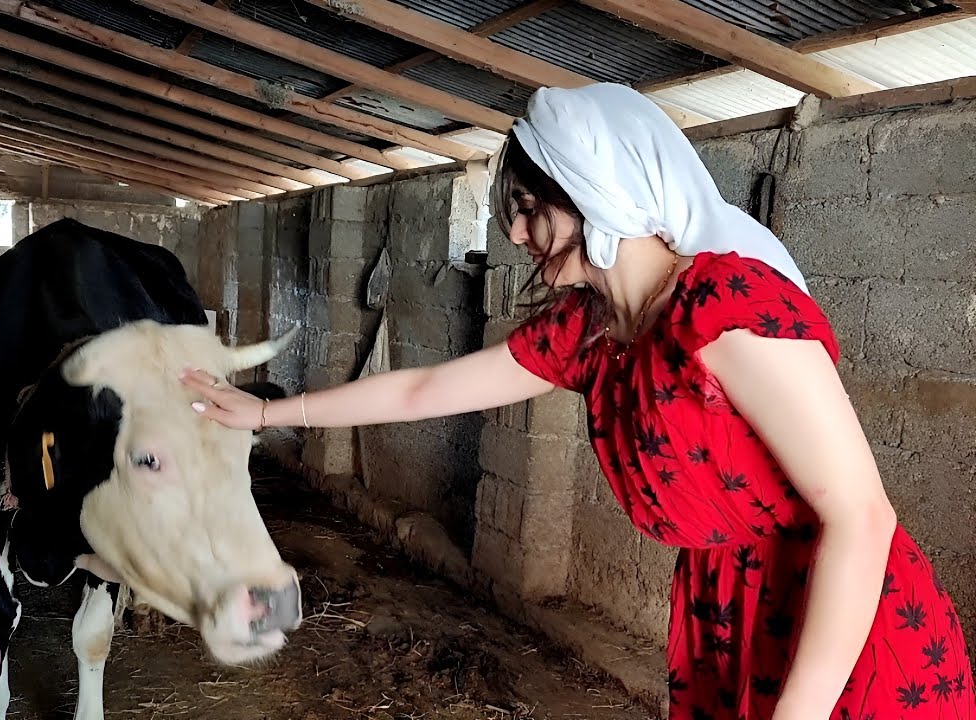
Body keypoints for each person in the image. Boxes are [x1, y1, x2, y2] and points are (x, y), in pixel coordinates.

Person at [179, 83, 974, 720]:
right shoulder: (595, 332)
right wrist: (265, 415)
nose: (519, 235)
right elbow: (426, 387)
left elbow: (861, 518)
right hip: (721, 615)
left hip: (839, 623)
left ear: (595, 190)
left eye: (530, 208)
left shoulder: (722, 306)